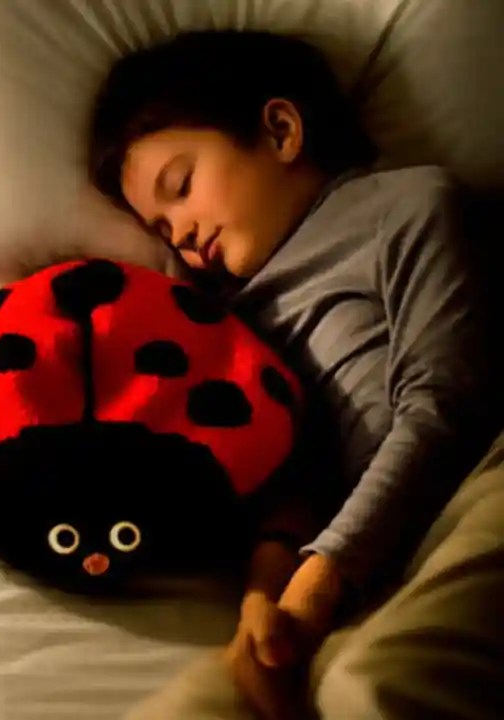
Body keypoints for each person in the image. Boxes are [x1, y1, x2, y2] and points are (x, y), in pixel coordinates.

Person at [88, 30, 498, 719]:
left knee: (370, 687)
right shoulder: (232, 325)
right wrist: (263, 600)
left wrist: (319, 582)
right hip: (368, 563)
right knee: (202, 705)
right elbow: (291, 484)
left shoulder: (405, 206)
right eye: (161, 230)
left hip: (474, 489)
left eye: (181, 187)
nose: (181, 235)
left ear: (279, 130)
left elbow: (444, 401)